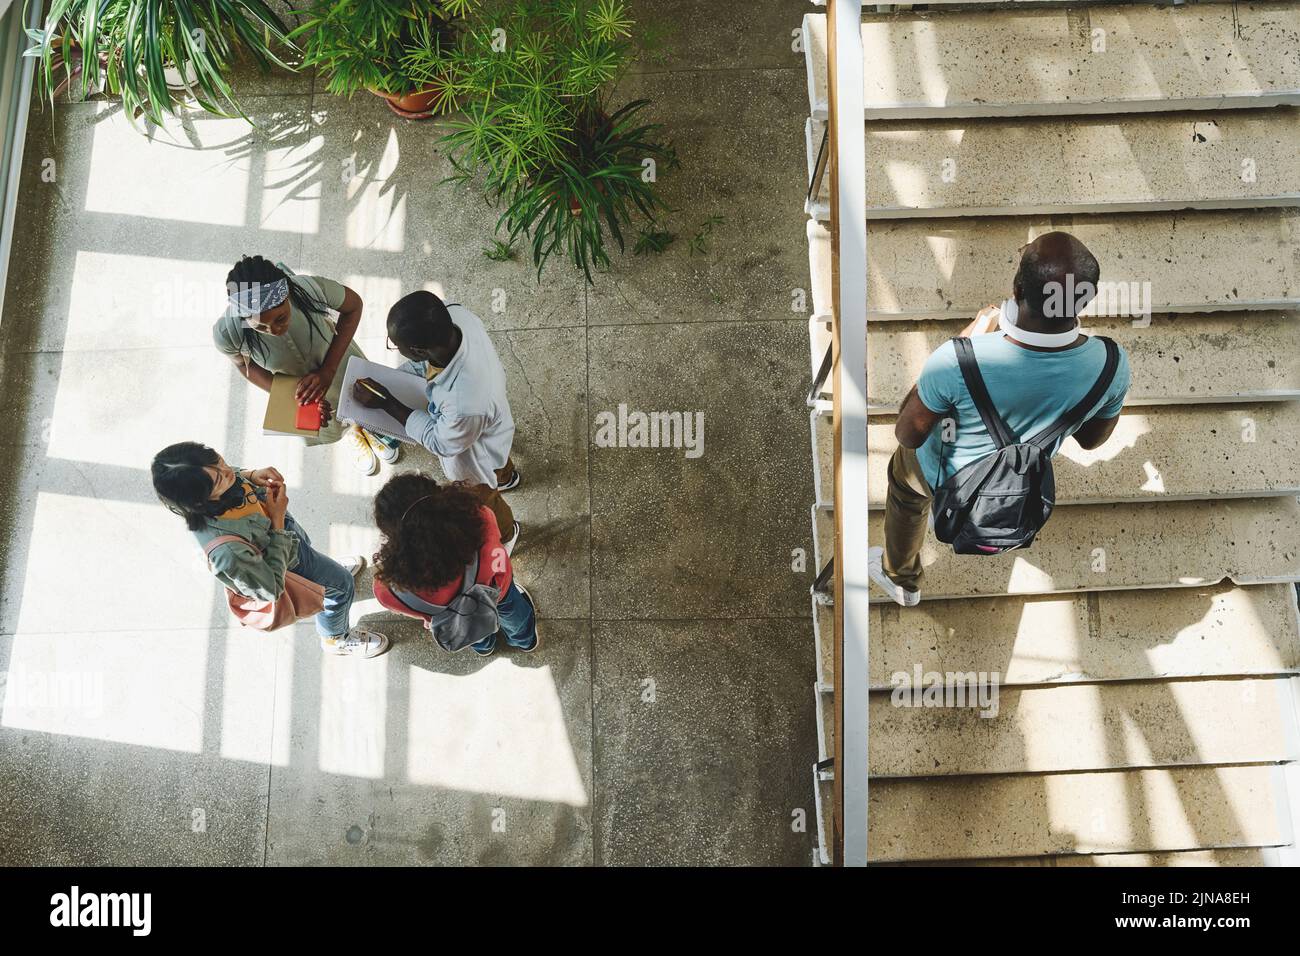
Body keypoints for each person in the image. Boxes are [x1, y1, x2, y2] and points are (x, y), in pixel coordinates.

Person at [868, 231, 1132, 606]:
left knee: (905, 486)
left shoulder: (960, 358)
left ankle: (901, 577)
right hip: (1021, 486)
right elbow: (1091, 440)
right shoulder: (1111, 364)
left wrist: (967, 337)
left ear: (1017, 290)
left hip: (944, 476)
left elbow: (908, 433)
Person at [151, 441, 389, 658]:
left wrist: (250, 476)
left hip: (289, 542)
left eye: (220, 461)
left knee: (314, 557)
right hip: (286, 561)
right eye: (219, 479)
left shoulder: (214, 480)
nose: (228, 473)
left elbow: (228, 473)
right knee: (342, 584)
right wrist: (277, 519)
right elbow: (271, 589)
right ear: (199, 500)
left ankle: (324, 577)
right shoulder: (227, 553)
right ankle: (335, 637)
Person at [350, 291, 520, 551]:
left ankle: (507, 532)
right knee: (497, 455)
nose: (398, 349)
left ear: (418, 350)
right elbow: (428, 368)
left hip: (472, 455)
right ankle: (507, 477)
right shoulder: (458, 316)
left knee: (482, 498)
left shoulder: (465, 405)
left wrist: (387, 403)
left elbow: (439, 441)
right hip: (492, 427)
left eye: (398, 346)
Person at [214, 255, 401, 476]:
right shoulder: (227, 333)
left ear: (288, 295)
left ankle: (369, 427)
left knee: (363, 397)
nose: (274, 330)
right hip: (298, 389)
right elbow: (244, 366)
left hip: (339, 363)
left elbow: (353, 306)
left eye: (281, 318)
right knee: (332, 422)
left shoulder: (308, 289)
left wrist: (329, 369)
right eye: (261, 328)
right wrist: (295, 396)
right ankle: (353, 433)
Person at [371, 472, 538, 657]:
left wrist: (428, 617)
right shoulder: (480, 519)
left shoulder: (388, 590)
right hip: (497, 589)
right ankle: (524, 640)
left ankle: (484, 646)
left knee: (468, 626)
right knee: (513, 612)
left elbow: (411, 610)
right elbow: (498, 556)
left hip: (451, 616)